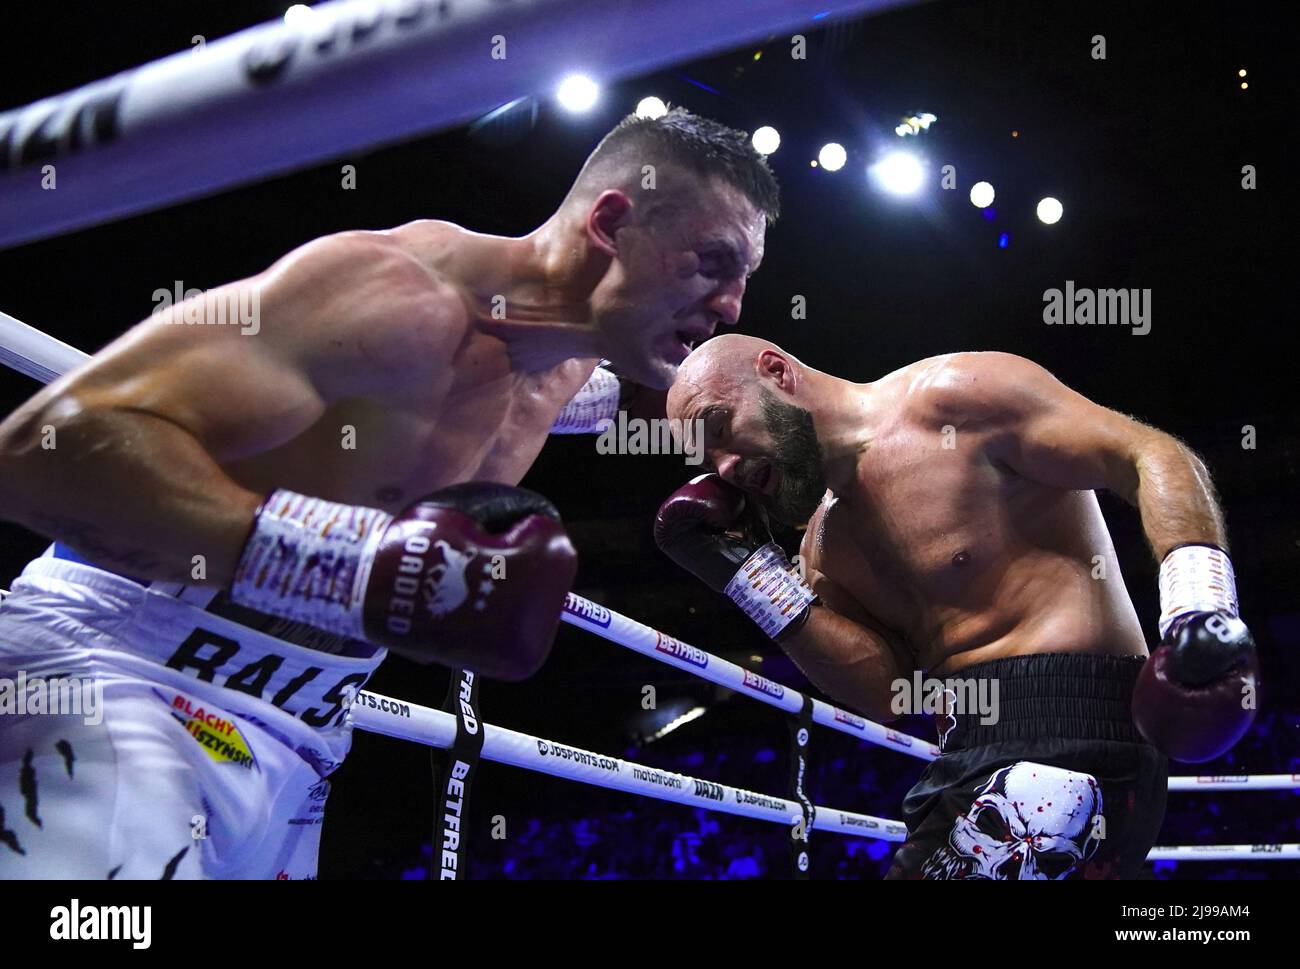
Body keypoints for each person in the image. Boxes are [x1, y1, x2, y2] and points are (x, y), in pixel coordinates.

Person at [0, 109, 778, 879]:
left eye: (745, 278)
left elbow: (619, 396)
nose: (732, 304)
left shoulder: (571, 361)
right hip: (118, 670)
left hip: (301, 736)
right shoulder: (394, 296)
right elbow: (39, 449)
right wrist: (350, 564)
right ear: (612, 222)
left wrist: (761, 440)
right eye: (713, 262)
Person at [655, 334, 1257, 879]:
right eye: (707, 463)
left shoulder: (953, 399)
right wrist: (754, 581)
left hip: (1065, 741)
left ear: (776, 372)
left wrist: (1200, 607)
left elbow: (1146, 455)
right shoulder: (821, 547)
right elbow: (888, 694)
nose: (725, 467)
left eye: (720, 427)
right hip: (967, 754)